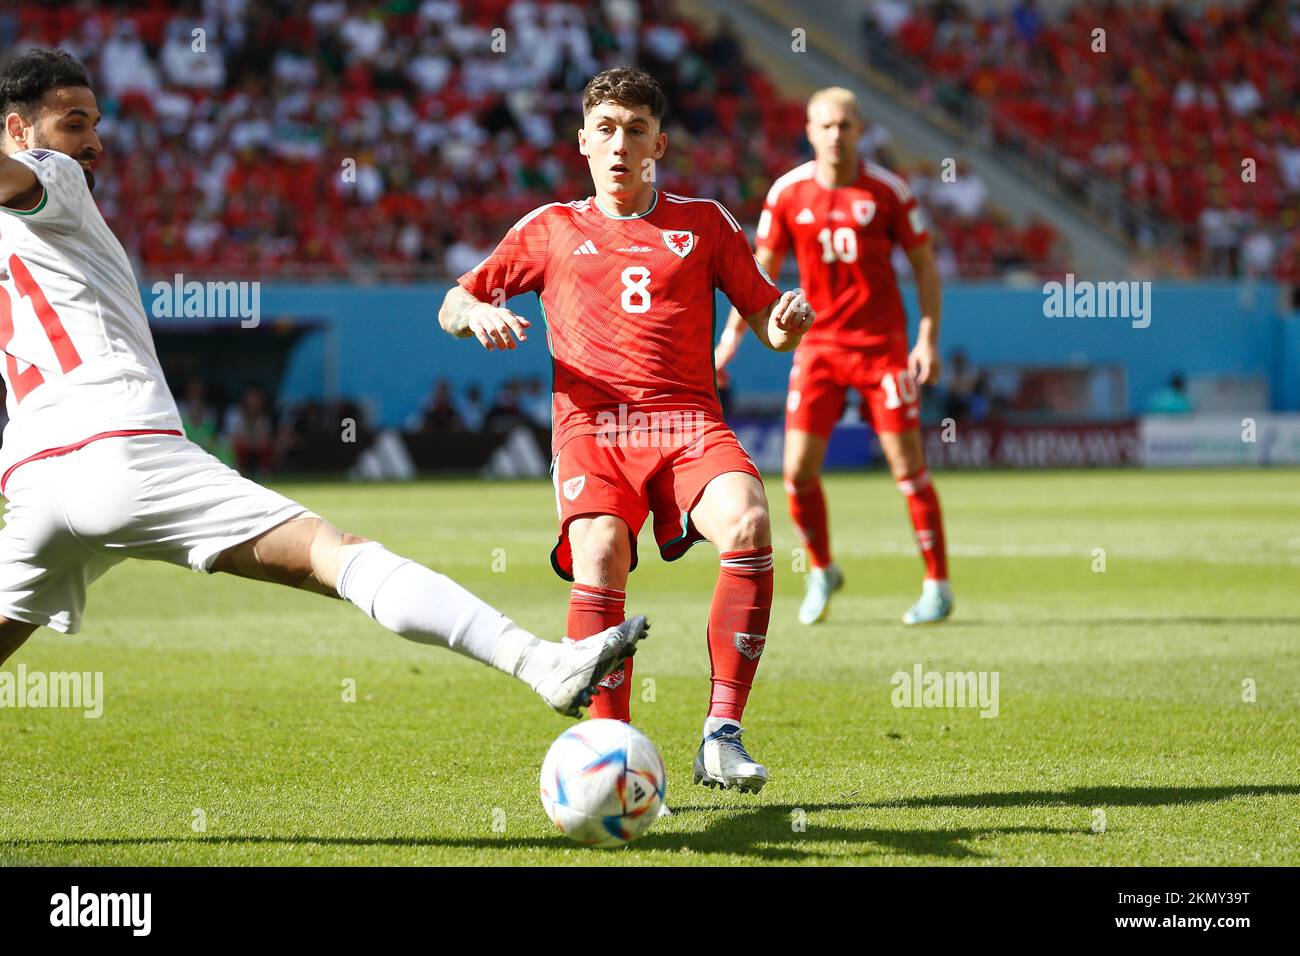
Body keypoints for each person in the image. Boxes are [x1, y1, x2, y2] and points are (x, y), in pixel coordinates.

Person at [0, 48, 645, 716]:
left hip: (31, 486)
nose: (93, 142)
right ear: (20, 133)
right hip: (121, 452)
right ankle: (540, 663)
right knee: (331, 555)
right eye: (74, 123)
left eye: (95, 124)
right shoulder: (58, 178)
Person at [438, 67, 814, 793]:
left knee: (748, 520)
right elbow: (454, 301)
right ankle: (610, 751)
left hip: (688, 424)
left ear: (659, 144)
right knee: (602, 552)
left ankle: (721, 735)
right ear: (583, 142)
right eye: (605, 130)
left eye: (635, 130)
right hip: (591, 430)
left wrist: (784, 322)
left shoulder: (705, 223)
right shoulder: (549, 229)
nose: (619, 145)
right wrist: (477, 314)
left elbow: (768, 321)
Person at [715, 86, 953, 626]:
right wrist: (729, 341)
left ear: (860, 129)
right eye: (826, 126)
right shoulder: (788, 193)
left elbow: (925, 267)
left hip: (881, 349)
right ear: (810, 131)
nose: (836, 135)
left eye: (845, 125)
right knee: (797, 472)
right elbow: (757, 274)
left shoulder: (888, 191)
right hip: (818, 346)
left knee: (907, 468)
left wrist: (928, 337)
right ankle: (822, 569)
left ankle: (937, 584)